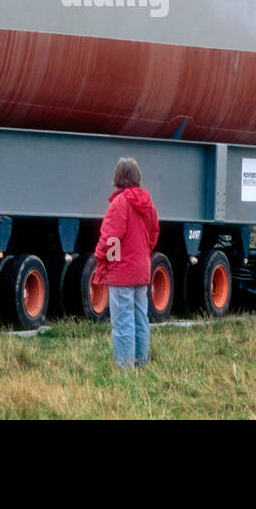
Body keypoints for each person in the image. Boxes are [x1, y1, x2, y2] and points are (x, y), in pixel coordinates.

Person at [92, 158, 160, 368]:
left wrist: (100, 255)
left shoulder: (119, 204)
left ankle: (124, 366)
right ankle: (140, 361)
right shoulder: (149, 204)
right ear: (137, 177)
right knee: (140, 318)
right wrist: (143, 252)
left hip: (122, 272)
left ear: (118, 178)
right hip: (141, 269)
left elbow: (111, 238)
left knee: (122, 321)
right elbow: (154, 233)